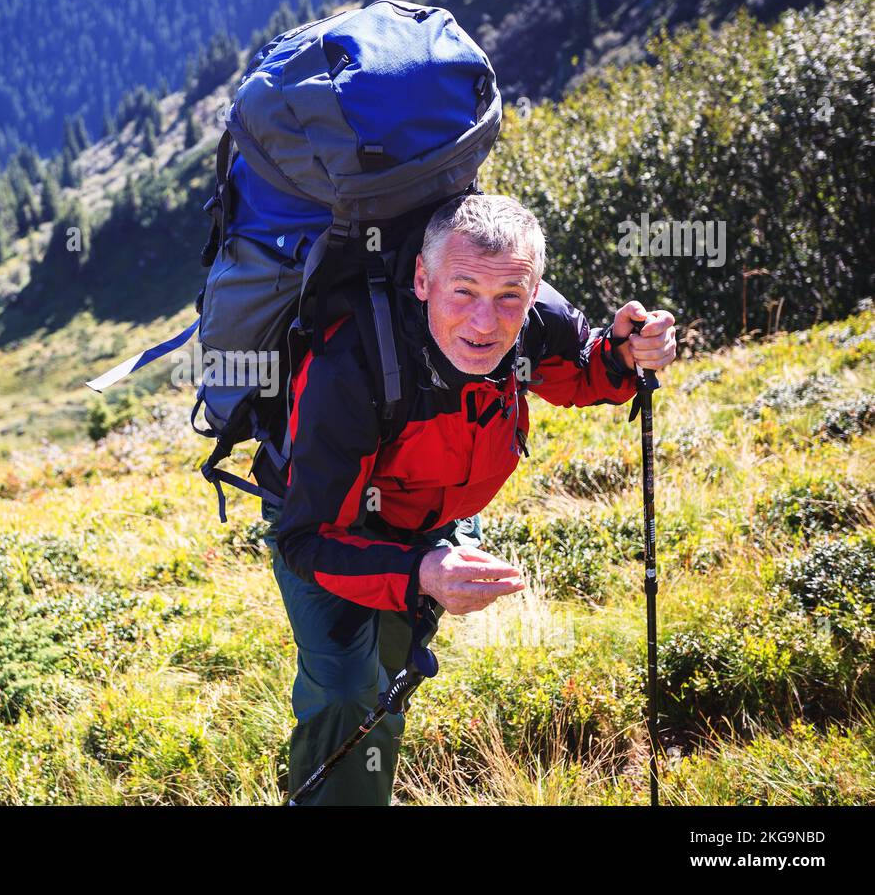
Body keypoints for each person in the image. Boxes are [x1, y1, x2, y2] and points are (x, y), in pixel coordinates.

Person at [261, 193, 678, 805]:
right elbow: (307, 539)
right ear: (423, 281)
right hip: (331, 526)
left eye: (510, 296)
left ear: (533, 290)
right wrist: (422, 572)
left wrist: (623, 354)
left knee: (388, 683)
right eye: (463, 292)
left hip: (431, 520)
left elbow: (580, 371)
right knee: (347, 686)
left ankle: (348, 773)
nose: (485, 324)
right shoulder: (349, 367)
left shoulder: (536, 321)